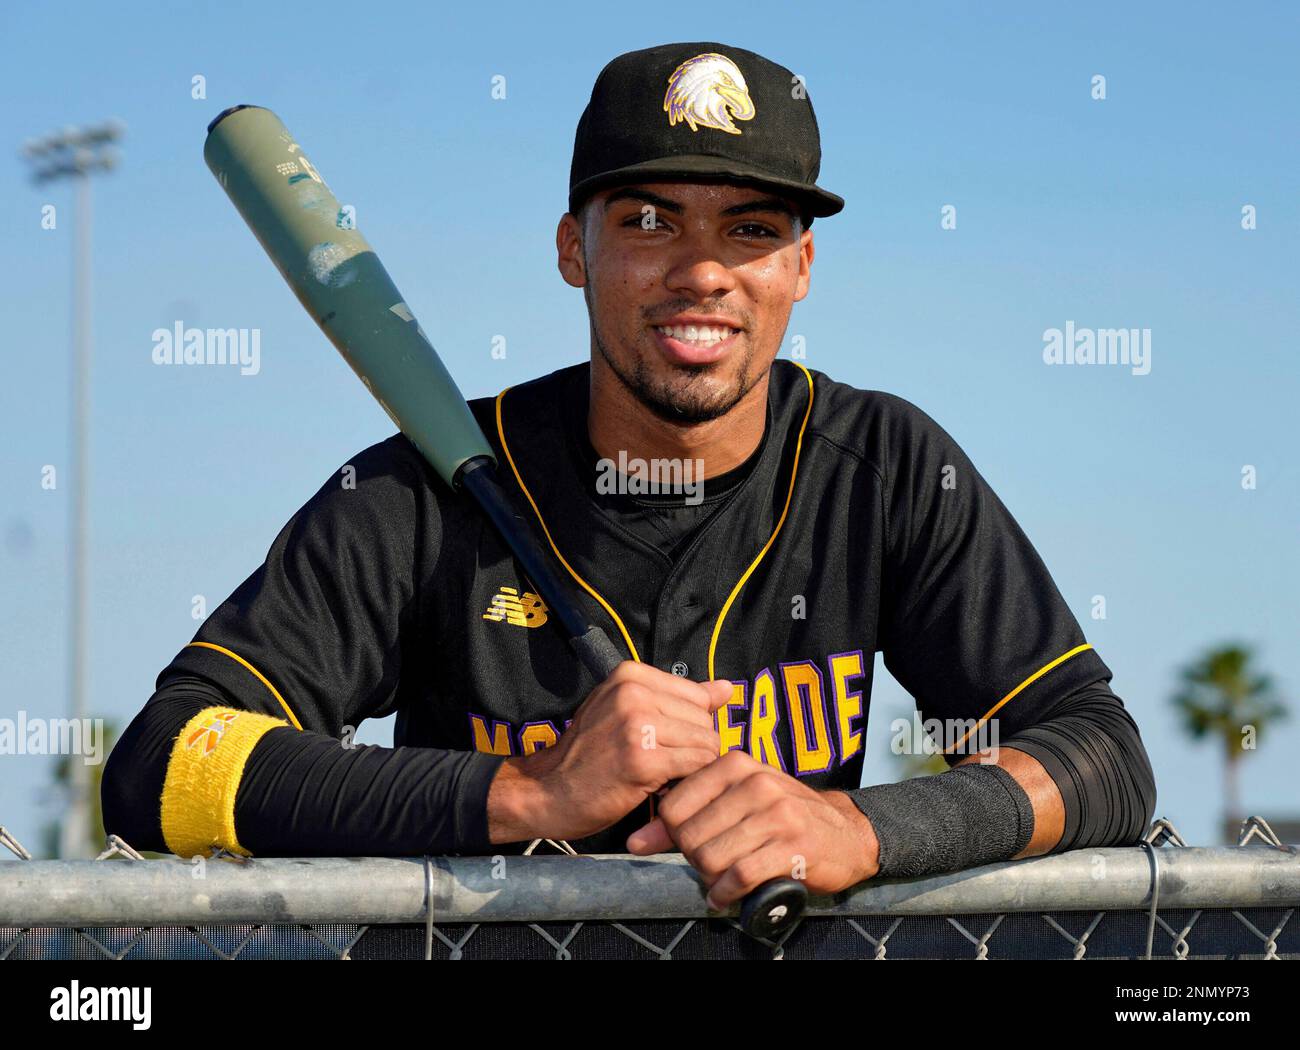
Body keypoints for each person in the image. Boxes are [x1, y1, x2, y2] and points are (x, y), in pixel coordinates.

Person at [102, 41, 1156, 911]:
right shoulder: (426, 490)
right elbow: (160, 766)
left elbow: (1100, 755)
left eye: (750, 230)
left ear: (800, 267)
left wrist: (859, 826)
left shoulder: (879, 466)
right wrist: (522, 793)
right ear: (574, 249)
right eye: (649, 222)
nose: (700, 270)